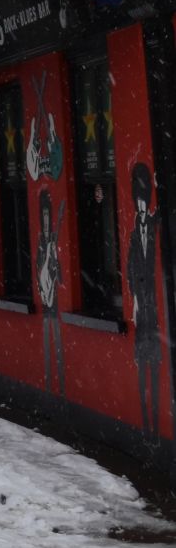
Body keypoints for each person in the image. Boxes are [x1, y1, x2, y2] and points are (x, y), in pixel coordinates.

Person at [126, 164, 163, 434]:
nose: (140, 205)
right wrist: (135, 300)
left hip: (155, 304)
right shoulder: (132, 235)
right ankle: (146, 424)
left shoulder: (153, 224)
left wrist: (159, 187)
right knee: (142, 361)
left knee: (155, 362)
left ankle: (156, 423)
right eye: (137, 200)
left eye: (143, 200)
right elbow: (129, 270)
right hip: (142, 304)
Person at [35, 190, 64, 395]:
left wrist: (55, 261)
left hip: (53, 301)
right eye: (43, 218)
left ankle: (59, 383)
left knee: (58, 343)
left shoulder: (52, 244)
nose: (46, 224)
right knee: (47, 344)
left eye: (48, 217)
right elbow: (38, 271)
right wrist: (42, 291)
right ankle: (49, 384)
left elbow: (60, 276)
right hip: (46, 300)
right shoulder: (40, 245)